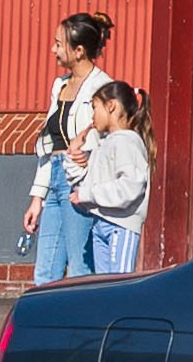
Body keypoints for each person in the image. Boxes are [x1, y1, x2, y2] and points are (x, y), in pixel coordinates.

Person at [20, 10, 113, 288]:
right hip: (55, 181)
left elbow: (109, 138)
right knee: (45, 269)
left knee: (80, 266)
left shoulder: (102, 86)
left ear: (79, 51)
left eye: (59, 44)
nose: (53, 50)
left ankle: (83, 327)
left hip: (80, 184)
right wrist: (37, 197)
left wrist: (89, 160)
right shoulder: (58, 85)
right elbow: (49, 144)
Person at [61, 79, 151, 278]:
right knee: (104, 286)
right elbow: (86, 180)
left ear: (111, 106)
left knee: (119, 285)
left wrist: (88, 194)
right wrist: (73, 154)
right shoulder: (105, 144)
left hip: (121, 226)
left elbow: (130, 186)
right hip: (101, 222)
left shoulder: (127, 143)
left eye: (95, 107)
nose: (92, 115)